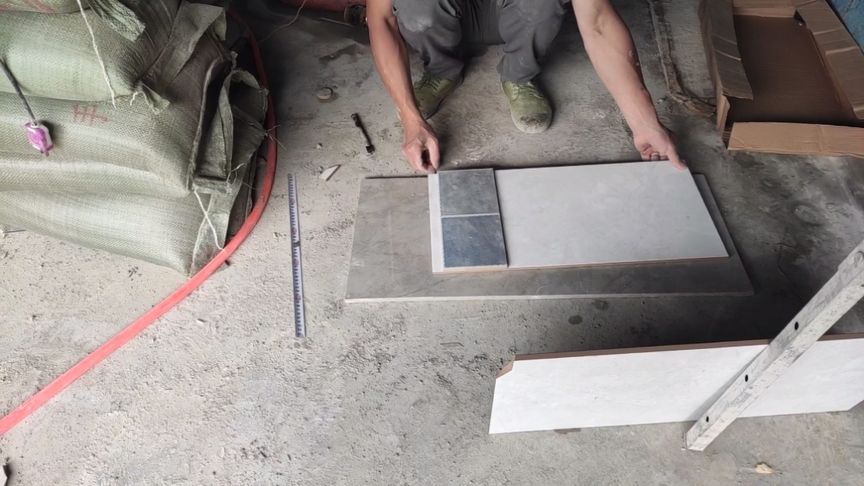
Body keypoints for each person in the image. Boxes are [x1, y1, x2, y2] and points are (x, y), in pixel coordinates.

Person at [366, 0, 684, 173]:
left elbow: (597, 18)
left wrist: (644, 122)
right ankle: (442, 70)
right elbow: (381, 18)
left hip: (518, 15)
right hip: (446, 15)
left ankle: (519, 74)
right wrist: (410, 118)